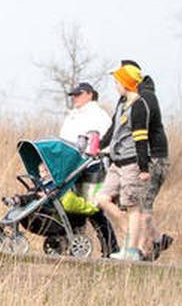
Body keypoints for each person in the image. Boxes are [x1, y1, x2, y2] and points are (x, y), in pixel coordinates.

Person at [95, 60, 173, 261]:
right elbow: (115, 129)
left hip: (149, 159)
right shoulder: (123, 102)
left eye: (118, 79)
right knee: (126, 205)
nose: (114, 85)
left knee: (139, 208)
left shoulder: (144, 101)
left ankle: (136, 249)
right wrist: (100, 146)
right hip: (125, 159)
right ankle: (154, 240)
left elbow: (140, 137)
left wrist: (144, 166)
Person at [55, 82, 111, 215]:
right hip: (72, 167)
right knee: (73, 206)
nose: (74, 97)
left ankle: (108, 237)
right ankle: (75, 235)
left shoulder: (99, 115)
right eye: (73, 95)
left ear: (90, 94)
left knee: (93, 208)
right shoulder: (72, 115)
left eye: (78, 94)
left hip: (92, 166)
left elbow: (107, 141)